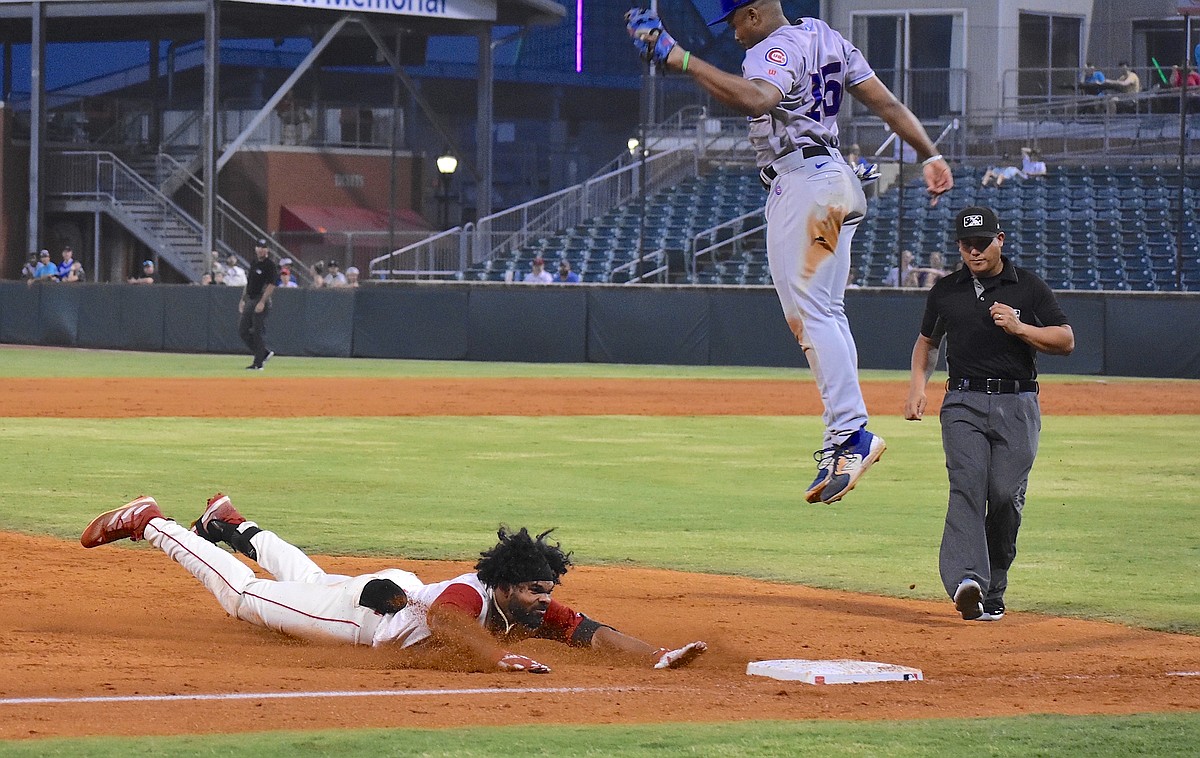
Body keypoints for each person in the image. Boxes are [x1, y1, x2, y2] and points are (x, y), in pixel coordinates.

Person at [624, 1, 953, 503]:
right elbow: (888, 105)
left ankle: (851, 435)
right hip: (832, 178)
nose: (734, 33)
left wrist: (681, 58)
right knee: (825, 311)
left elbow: (758, 98)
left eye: (735, 21)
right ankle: (842, 436)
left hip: (805, 183)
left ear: (754, 14)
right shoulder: (827, 37)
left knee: (811, 313)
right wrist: (931, 154)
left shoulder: (772, 47)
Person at [80, 493, 708, 674]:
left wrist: (657, 655)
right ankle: (152, 522)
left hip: (391, 593)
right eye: (536, 592)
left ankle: (230, 523)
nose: (545, 601)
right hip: (365, 615)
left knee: (311, 578)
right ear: (506, 586)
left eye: (547, 592)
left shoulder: (528, 609)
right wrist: (498, 660)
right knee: (245, 597)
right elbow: (448, 624)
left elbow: (592, 632)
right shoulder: (470, 595)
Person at [904, 206, 1074, 622]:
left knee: (1004, 497)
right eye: (967, 244)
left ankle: (993, 588)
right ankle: (967, 580)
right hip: (962, 401)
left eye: (982, 243)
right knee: (967, 486)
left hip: (1017, 404)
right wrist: (917, 387)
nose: (974, 252)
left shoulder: (1027, 287)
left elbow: (1066, 339)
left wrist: (1020, 328)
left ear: (1000, 240)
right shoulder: (945, 290)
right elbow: (927, 342)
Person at [239, 239, 278, 370]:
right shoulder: (254, 263)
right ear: (255, 249)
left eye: (263, 247)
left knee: (257, 331)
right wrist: (242, 299)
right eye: (259, 247)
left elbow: (271, 285)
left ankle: (258, 363)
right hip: (250, 298)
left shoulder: (270, 265)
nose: (261, 249)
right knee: (243, 330)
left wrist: (262, 301)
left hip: (261, 299)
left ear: (267, 250)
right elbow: (248, 283)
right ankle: (264, 353)